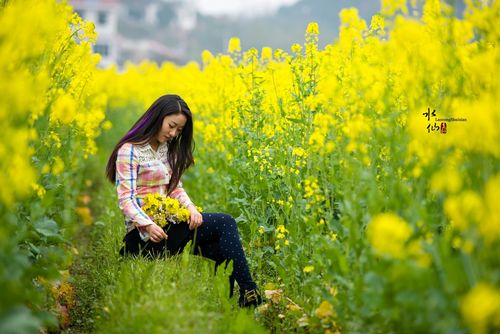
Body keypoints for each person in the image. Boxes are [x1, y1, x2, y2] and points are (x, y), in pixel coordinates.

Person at [105, 94, 262, 307]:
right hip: (145, 238)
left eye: (179, 130)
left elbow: (175, 188)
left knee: (220, 246)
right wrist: (148, 225)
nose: (173, 133)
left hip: (170, 226)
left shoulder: (165, 150)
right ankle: (249, 291)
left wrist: (191, 209)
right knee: (225, 223)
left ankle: (240, 296)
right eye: (171, 126)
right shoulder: (129, 151)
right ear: (157, 116)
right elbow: (126, 200)